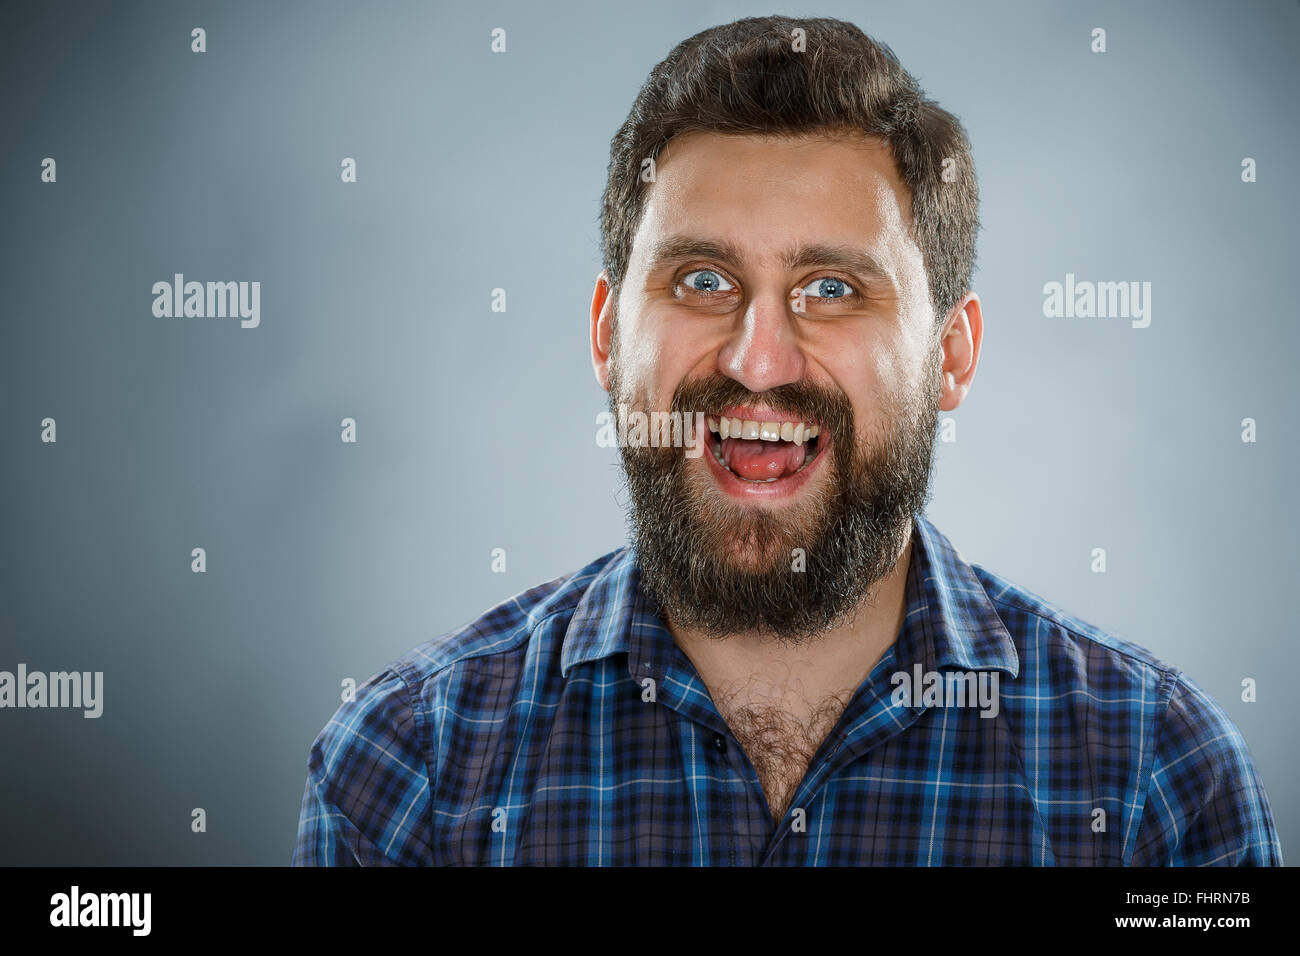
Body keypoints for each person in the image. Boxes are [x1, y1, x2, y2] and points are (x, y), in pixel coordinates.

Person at [292, 15, 1281, 866]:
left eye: (833, 289)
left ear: (950, 355)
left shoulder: (1156, 775)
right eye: (703, 281)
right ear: (605, 334)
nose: (760, 361)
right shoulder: (407, 767)